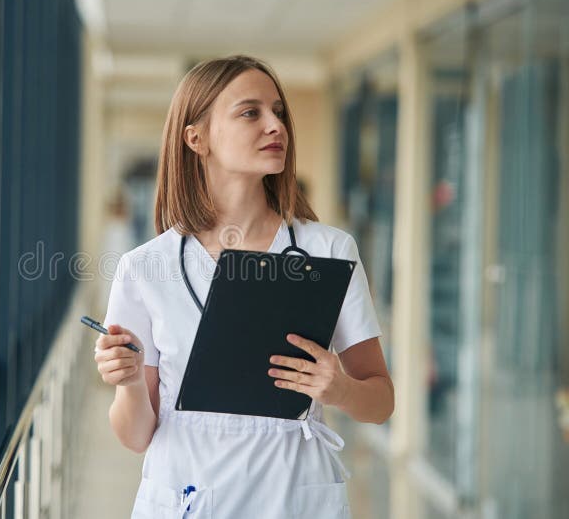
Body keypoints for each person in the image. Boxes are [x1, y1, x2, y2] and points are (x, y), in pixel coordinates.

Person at [94, 55, 394, 518]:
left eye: (279, 112)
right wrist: (131, 382)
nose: (276, 126)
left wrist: (340, 390)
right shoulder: (145, 268)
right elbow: (135, 437)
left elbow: (381, 402)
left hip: (293, 493)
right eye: (251, 112)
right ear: (196, 138)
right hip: (188, 492)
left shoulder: (330, 250)